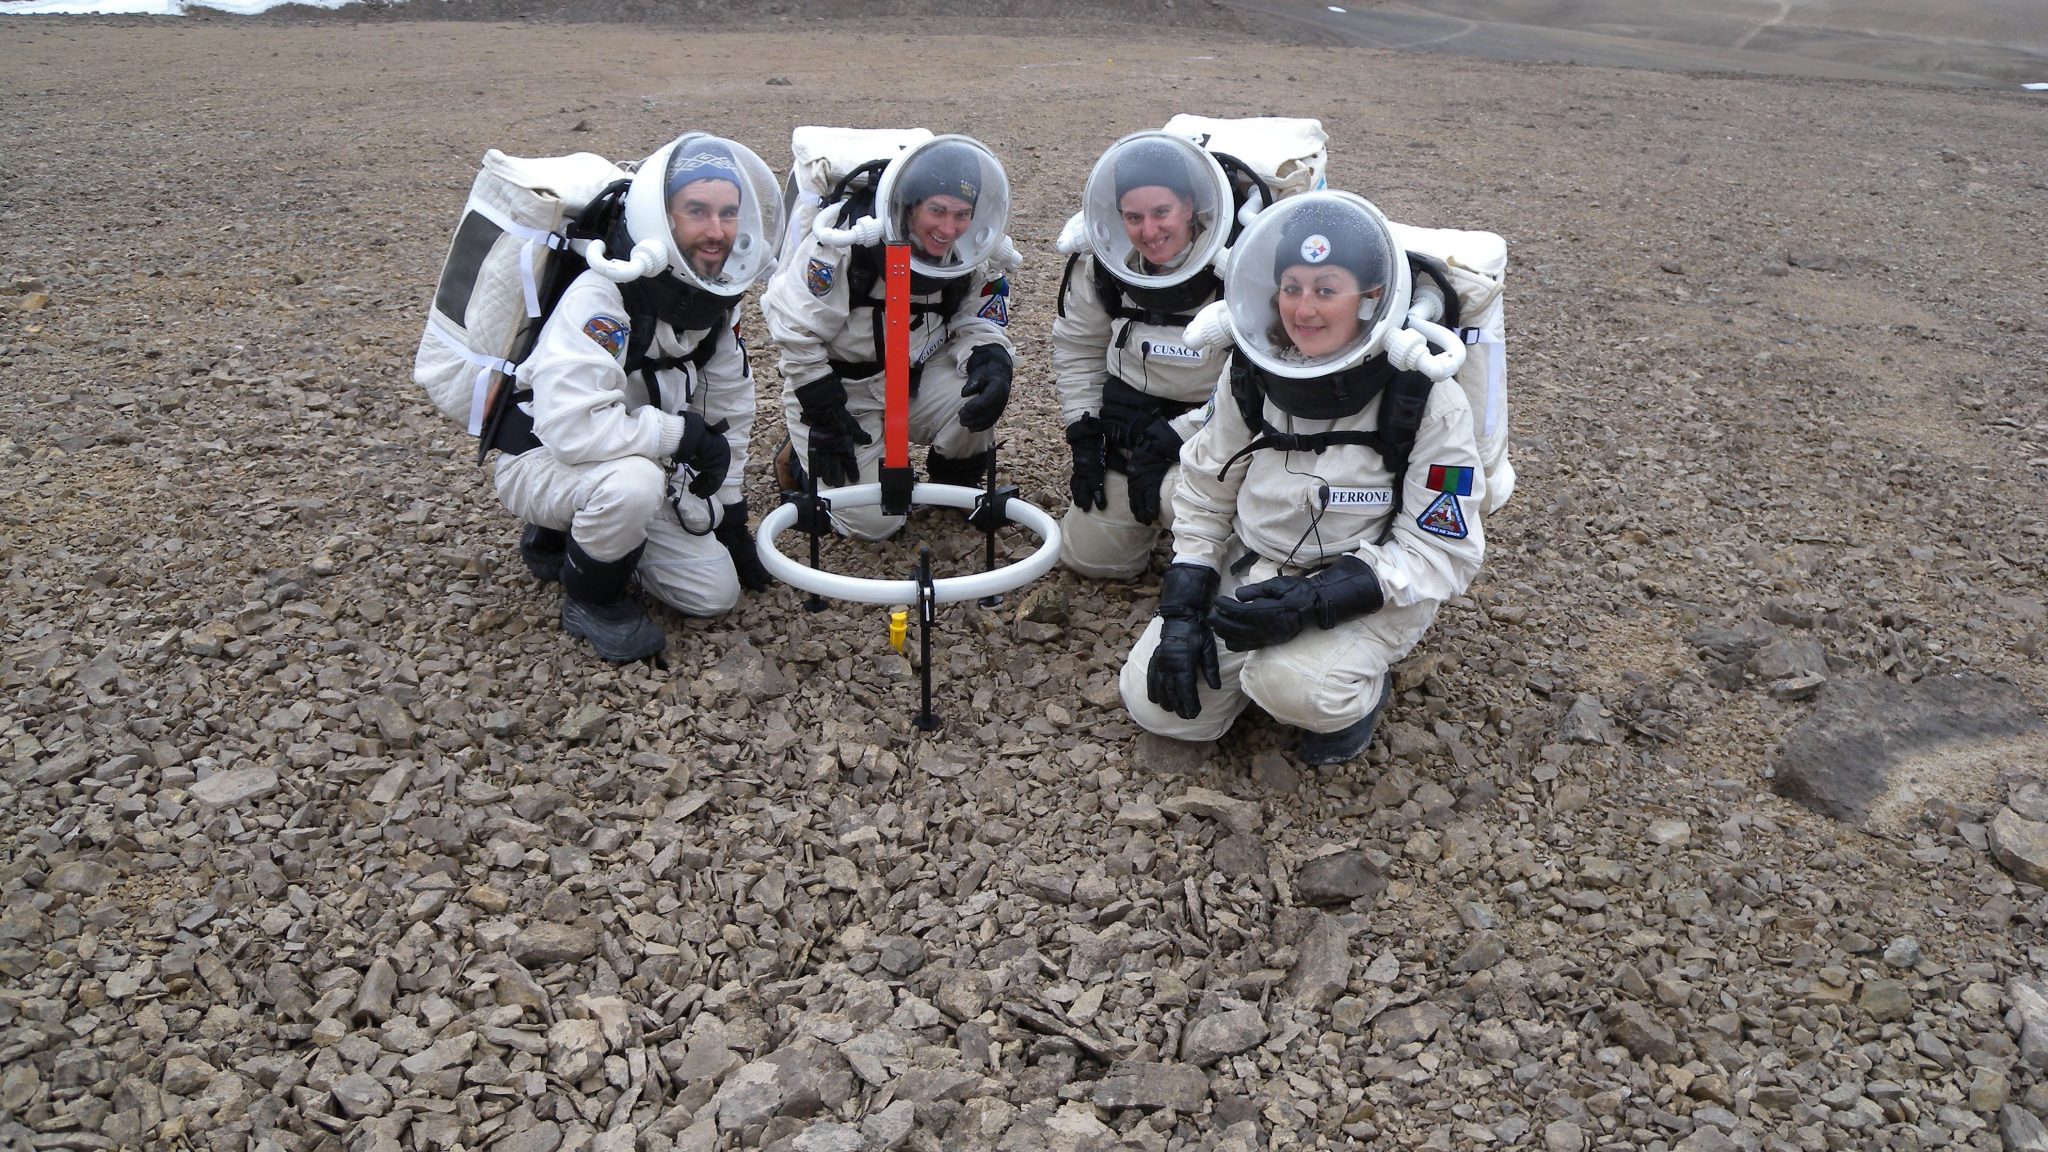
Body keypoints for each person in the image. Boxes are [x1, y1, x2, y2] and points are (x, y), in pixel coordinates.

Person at [1118, 191, 1486, 766]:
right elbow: (1204, 490)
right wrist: (1183, 608)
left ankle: (1354, 696)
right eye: (1291, 287)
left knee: (1298, 686)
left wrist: (1316, 600)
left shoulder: (1425, 400)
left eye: (1325, 289)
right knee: (1154, 705)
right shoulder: (1252, 373)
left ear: (1371, 298)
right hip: (1254, 566)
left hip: (1368, 587)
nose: (1303, 310)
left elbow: (1442, 550)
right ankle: (1268, 666)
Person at [494, 132, 782, 663]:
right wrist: (679, 434)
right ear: (662, 219)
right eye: (697, 211)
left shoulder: (712, 299)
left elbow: (731, 404)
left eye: (728, 213)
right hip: (546, 456)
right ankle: (590, 599)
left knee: (712, 595)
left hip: (641, 454)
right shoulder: (602, 296)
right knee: (632, 484)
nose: (716, 231)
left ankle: (583, 533)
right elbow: (572, 429)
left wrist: (733, 512)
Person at [762, 134, 1016, 541]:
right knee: (876, 523)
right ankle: (800, 461)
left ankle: (956, 479)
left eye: (961, 214)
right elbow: (793, 327)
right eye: (937, 211)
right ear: (909, 204)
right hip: (841, 389)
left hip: (912, 376)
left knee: (978, 390)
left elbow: (976, 318)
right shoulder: (846, 243)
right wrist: (821, 406)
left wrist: (990, 357)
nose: (949, 229)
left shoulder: (970, 252)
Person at [1053, 132, 1236, 580]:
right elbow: (1078, 348)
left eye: (1161, 213)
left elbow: (1263, 386)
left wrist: (1175, 437)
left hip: (1218, 444)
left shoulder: (1241, 272)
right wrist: (1084, 433)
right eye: (1133, 217)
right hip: (1128, 434)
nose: (1149, 232)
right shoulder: (1101, 266)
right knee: (1088, 560)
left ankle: (1219, 533)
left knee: (1232, 581)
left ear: (1191, 207)